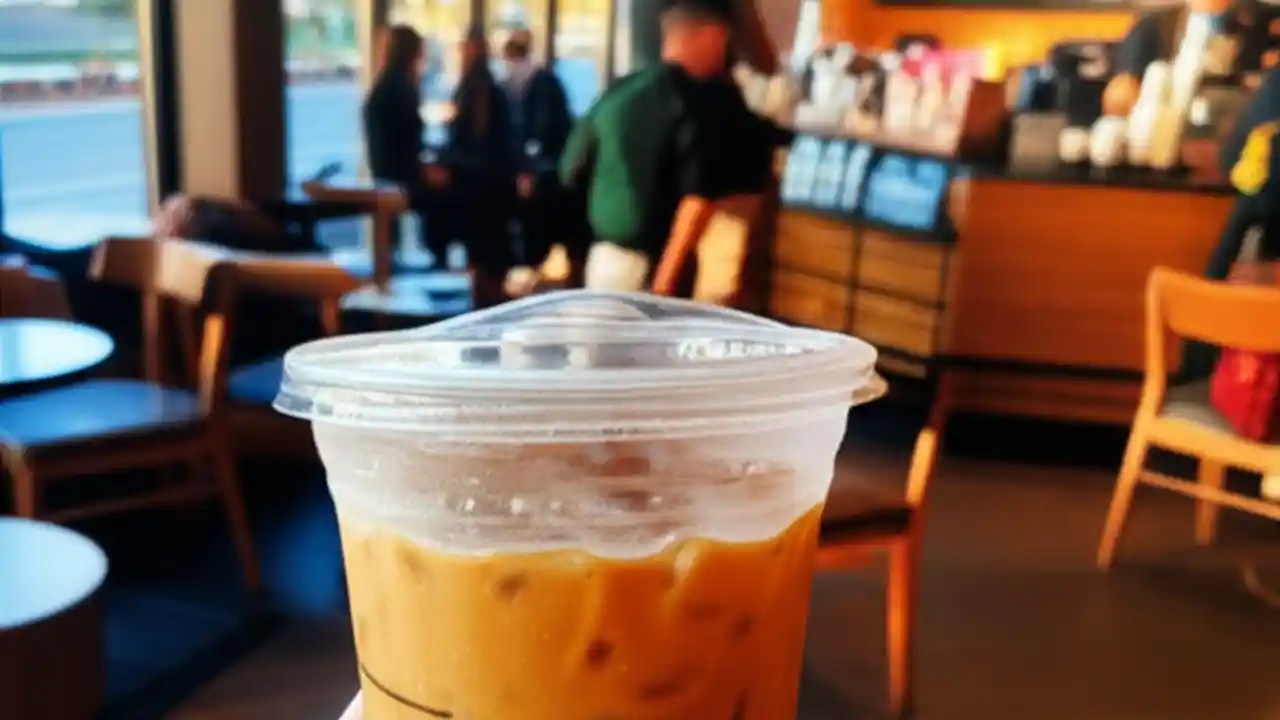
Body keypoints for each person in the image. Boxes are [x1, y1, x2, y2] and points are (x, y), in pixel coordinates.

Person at [559, 0, 789, 294]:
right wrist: (665, 283)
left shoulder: (616, 93)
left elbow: (571, 169)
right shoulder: (699, 104)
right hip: (654, 267)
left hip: (603, 262)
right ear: (713, 35)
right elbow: (697, 199)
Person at [498, 27, 587, 281]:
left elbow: (543, 132)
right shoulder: (541, 82)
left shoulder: (537, 85)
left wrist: (529, 169)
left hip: (544, 177)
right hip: (544, 172)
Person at [363, 25, 455, 265]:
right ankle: (440, 261)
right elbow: (410, 145)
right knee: (450, 195)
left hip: (384, 171)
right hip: (399, 177)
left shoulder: (383, 84)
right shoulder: (402, 87)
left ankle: (401, 263)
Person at [440, 26, 517, 295]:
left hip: (474, 187)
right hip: (493, 187)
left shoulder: (468, 90)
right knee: (492, 261)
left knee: (480, 260)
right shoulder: (493, 90)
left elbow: (462, 141)